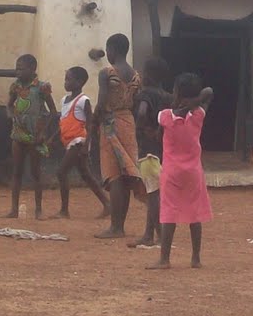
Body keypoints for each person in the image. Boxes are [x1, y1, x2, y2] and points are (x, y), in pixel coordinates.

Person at [150, 73, 213, 270]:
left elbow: (159, 135)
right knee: (195, 215)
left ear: (177, 93)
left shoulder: (165, 116)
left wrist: (183, 106)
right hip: (193, 171)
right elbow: (209, 92)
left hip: (171, 172)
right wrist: (193, 103)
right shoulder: (199, 115)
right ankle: (196, 258)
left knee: (169, 214)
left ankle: (164, 259)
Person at [93, 33, 146, 239]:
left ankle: (115, 227)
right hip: (128, 123)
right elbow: (137, 103)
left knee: (114, 175)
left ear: (112, 50)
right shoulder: (136, 76)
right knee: (126, 175)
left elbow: (101, 103)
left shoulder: (106, 73)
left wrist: (94, 123)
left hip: (110, 123)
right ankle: (120, 225)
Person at [5, 54, 57, 220]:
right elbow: (9, 105)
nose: (17, 72)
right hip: (18, 134)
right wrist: (11, 115)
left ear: (32, 69)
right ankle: (14, 209)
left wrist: (43, 132)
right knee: (17, 172)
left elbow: (53, 112)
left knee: (36, 173)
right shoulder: (15, 87)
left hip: (35, 136)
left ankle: (38, 210)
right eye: (17, 69)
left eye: (21, 69)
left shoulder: (42, 88)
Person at [128, 57, 172, 250]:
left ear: (149, 75)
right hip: (163, 149)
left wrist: (141, 128)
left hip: (148, 150)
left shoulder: (145, 94)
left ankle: (158, 235)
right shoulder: (168, 97)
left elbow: (142, 112)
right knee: (154, 190)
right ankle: (150, 234)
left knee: (152, 194)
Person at [55, 67, 109, 218]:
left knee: (61, 172)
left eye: (69, 79)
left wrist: (87, 145)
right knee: (86, 175)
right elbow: (63, 122)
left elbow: (90, 124)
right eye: (65, 79)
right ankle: (107, 203)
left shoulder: (83, 101)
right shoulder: (64, 100)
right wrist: (52, 138)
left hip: (78, 141)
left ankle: (64, 211)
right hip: (69, 141)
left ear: (79, 82)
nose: (65, 82)